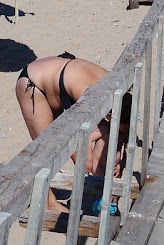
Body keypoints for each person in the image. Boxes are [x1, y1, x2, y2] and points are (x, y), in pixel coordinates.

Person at [15, 56, 132, 206]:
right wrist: (85, 161)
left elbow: (125, 133)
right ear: (109, 116)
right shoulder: (89, 98)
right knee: (46, 150)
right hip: (33, 84)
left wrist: (122, 161)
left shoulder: (116, 88)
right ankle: (49, 203)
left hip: (55, 76)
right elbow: (75, 137)